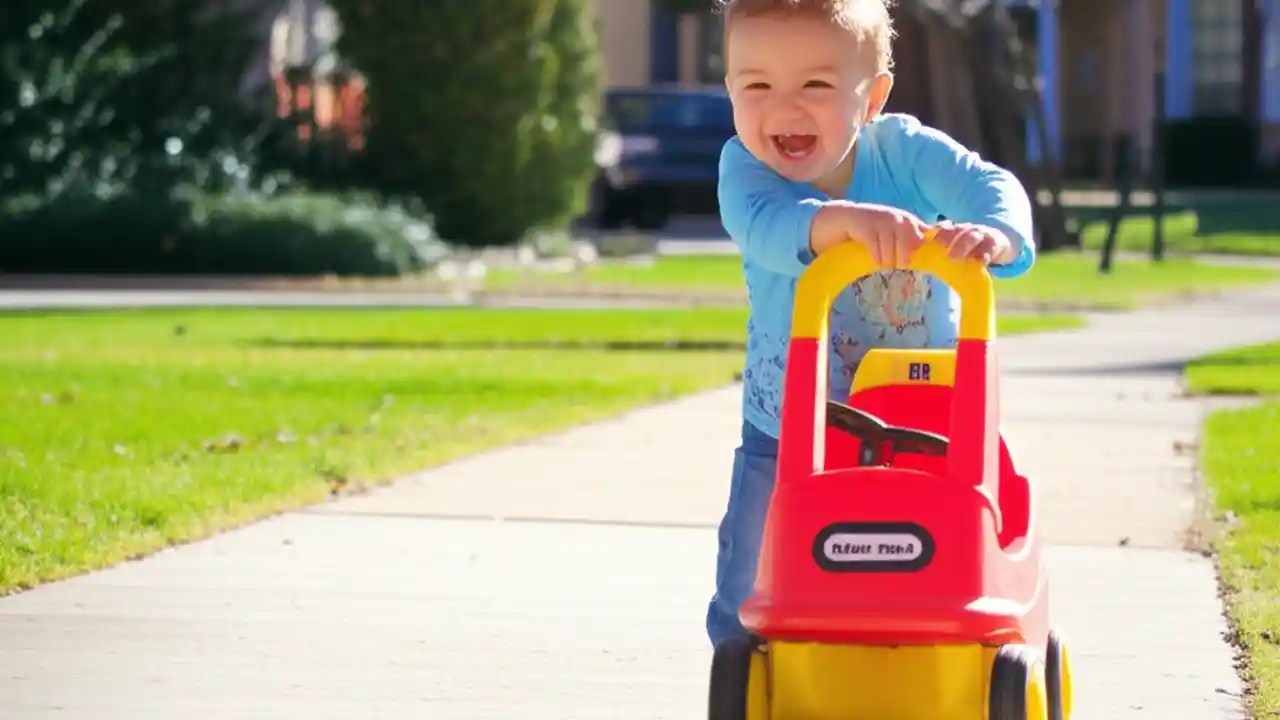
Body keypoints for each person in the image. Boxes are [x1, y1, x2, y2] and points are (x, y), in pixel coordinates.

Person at [706, 0, 1037, 647]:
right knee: (753, 566)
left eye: (817, 85)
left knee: (929, 549)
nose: (785, 108)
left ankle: (935, 650)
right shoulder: (744, 169)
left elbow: (990, 184)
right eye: (758, 86)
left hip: (921, 416)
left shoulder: (907, 153)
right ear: (731, 92)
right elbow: (768, 230)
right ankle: (745, 668)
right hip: (789, 424)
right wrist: (841, 224)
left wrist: (993, 235)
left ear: (872, 96)